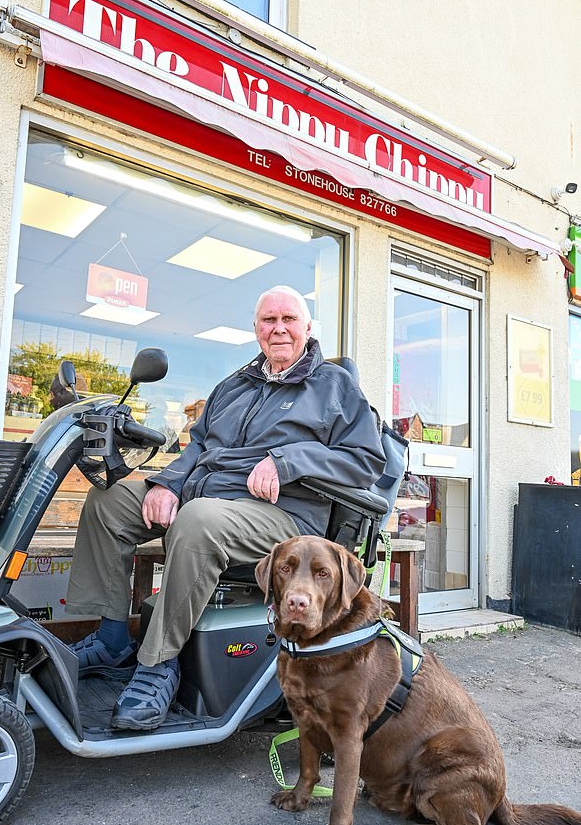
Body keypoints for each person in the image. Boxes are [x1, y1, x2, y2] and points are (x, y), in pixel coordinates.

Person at [65, 286, 386, 730]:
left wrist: (288, 461)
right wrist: (168, 484)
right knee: (109, 499)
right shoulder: (235, 385)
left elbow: (367, 461)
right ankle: (113, 637)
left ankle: (159, 662)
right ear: (256, 330)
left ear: (307, 329)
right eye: (268, 320)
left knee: (199, 523)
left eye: (288, 320)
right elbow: (197, 444)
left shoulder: (334, 386)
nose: (278, 329)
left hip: (284, 518)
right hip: (207, 495)